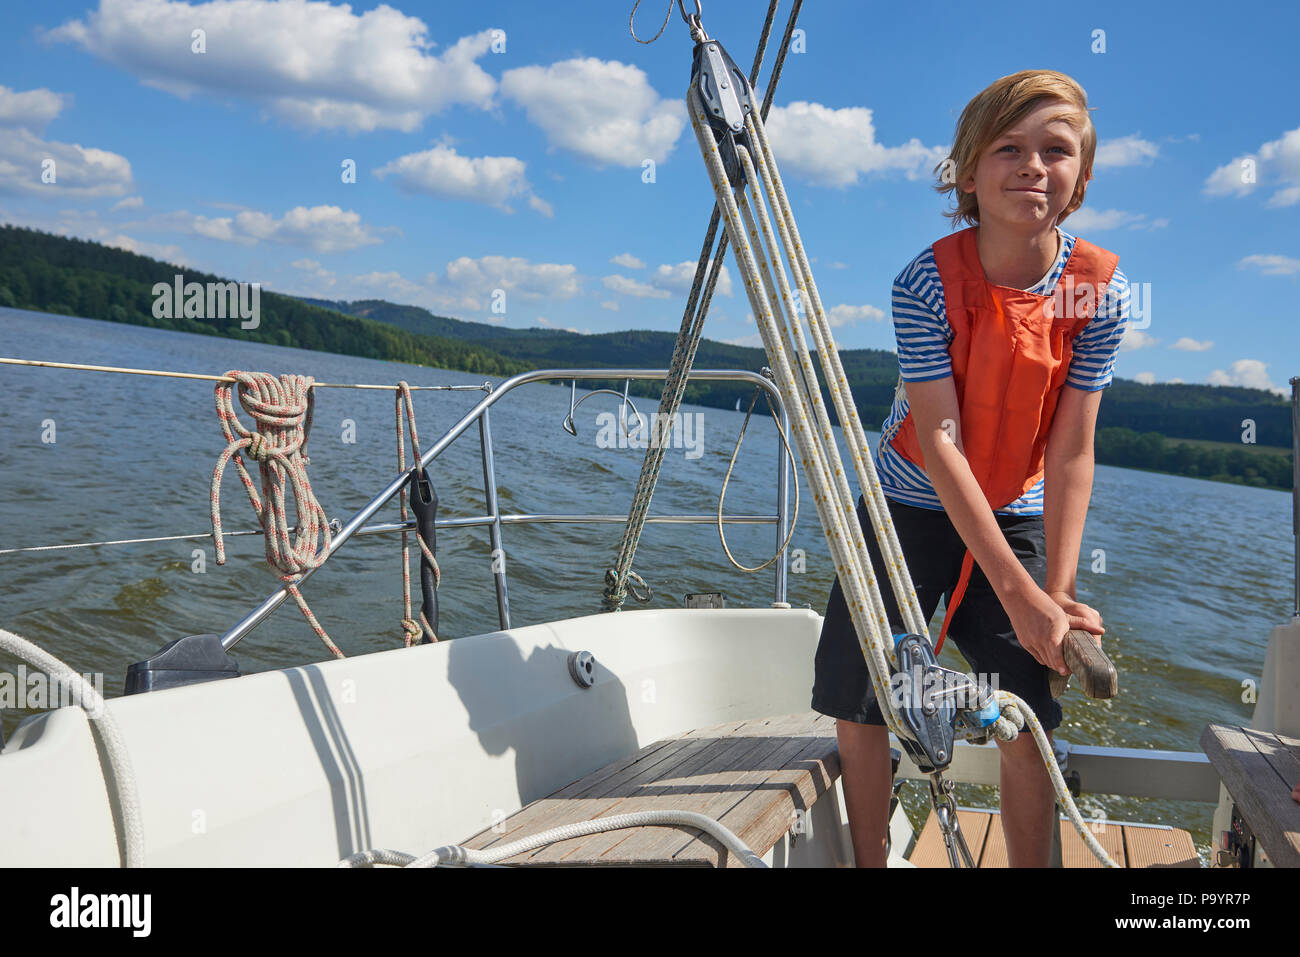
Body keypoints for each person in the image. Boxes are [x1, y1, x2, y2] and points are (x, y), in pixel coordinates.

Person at [811, 70, 1129, 868]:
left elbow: (1071, 448)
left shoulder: (1097, 294)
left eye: (1055, 151)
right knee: (866, 689)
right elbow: (941, 439)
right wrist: (1022, 596)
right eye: (1009, 148)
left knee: (1025, 700)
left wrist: (1052, 592)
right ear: (967, 173)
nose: (1032, 166)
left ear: (1080, 180)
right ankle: (870, 859)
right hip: (910, 502)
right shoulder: (923, 284)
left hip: (1016, 511)